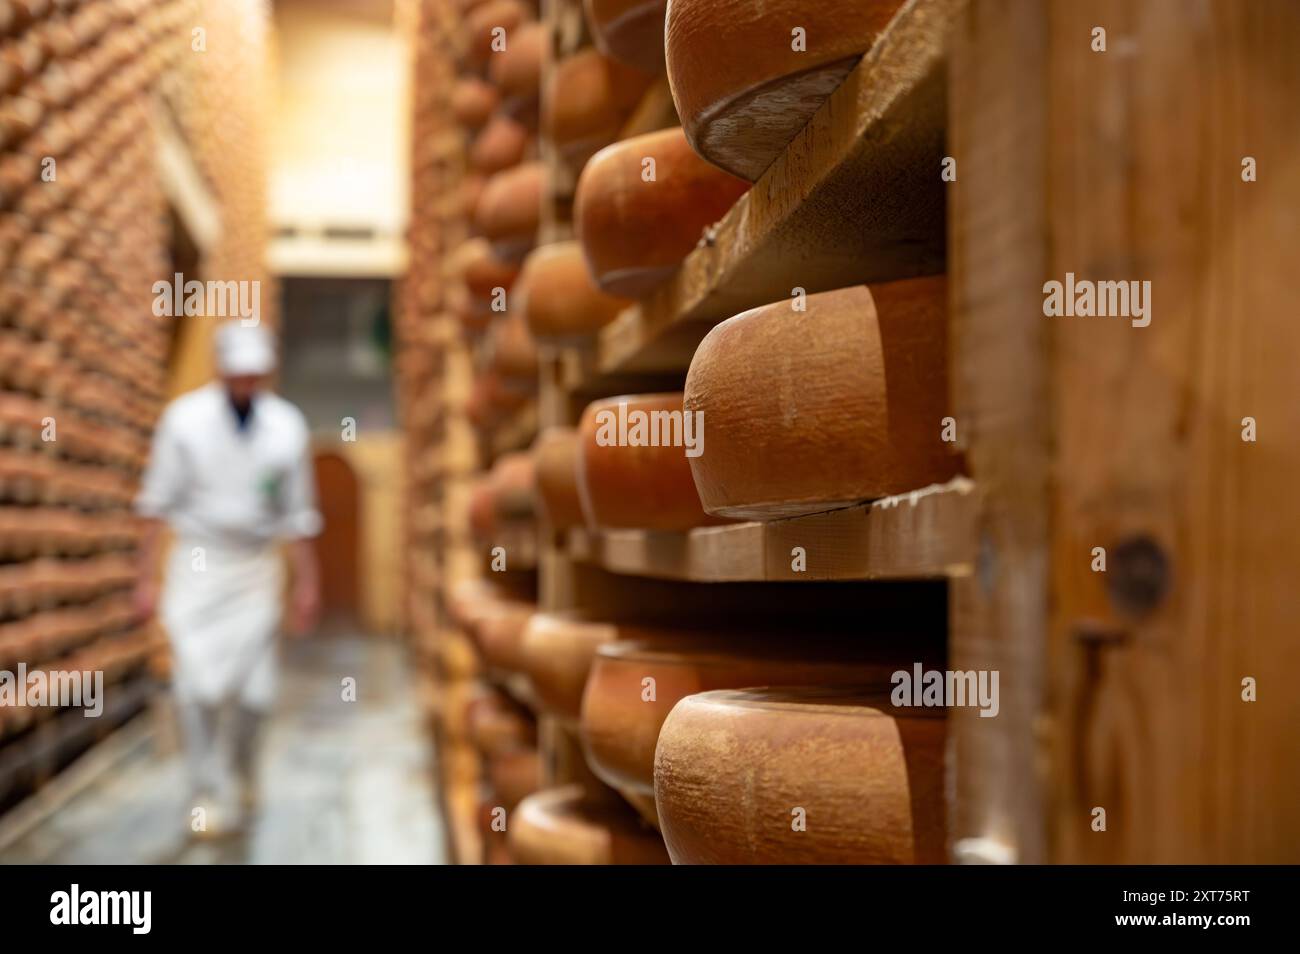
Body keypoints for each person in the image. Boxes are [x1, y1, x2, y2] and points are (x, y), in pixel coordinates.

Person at [133, 322, 322, 837]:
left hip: (256, 568)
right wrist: (145, 579)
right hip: (198, 565)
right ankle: (204, 792)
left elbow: (300, 516)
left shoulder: (287, 427)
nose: (246, 383)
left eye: (254, 375)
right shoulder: (184, 421)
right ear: (222, 370)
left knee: (255, 694)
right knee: (198, 691)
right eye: (238, 374)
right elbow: (156, 503)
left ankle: (245, 772)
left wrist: (306, 585)